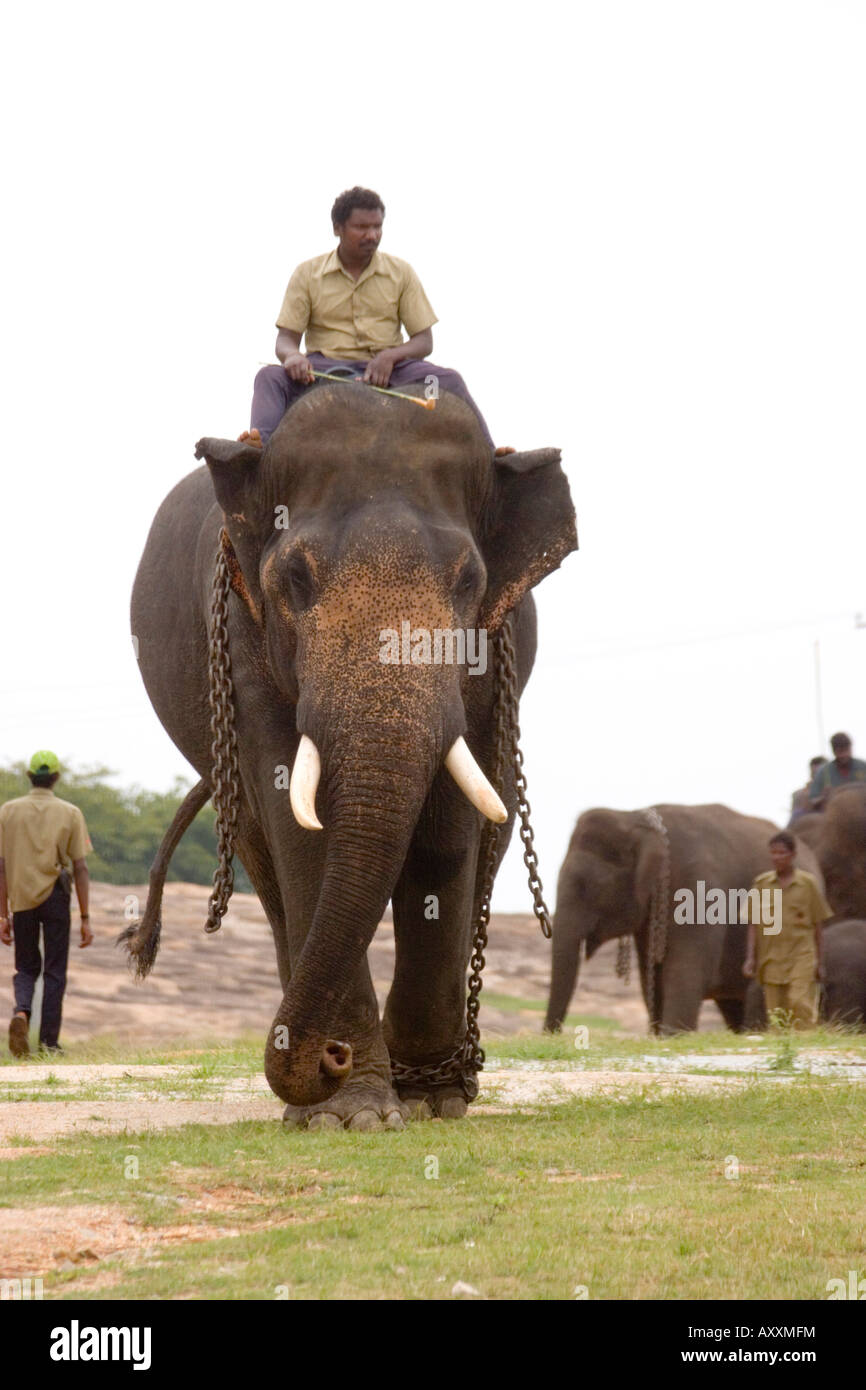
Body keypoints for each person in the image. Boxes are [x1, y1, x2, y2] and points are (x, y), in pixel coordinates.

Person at [241, 186, 507, 455]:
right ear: (338, 228)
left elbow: (424, 341)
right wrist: (292, 357)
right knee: (269, 377)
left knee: (447, 381)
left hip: (394, 372)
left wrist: (390, 357)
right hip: (322, 370)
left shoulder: (400, 272)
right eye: (361, 227)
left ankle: (491, 458)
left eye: (377, 227)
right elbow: (286, 339)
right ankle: (259, 449)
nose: (372, 235)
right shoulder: (307, 274)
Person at [0, 751, 93, 1056]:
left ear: (29, 776)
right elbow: (80, 867)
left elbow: (1, 868)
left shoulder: (7, 812)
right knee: (54, 970)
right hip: (56, 896)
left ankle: (22, 1012)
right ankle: (49, 1044)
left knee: (25, 967)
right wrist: (85, 917)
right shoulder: (70, 813)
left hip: (22, 899)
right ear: (55, 777)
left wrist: (3, 915)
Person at [742, 830, 833, 1029]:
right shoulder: (762, 884)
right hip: (771, 956)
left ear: (792, 855)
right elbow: (753, 923)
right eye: (773, 853)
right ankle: (783, 1054)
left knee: (799, 1001)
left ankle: (806, 1049)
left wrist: (820, 961)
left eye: (782, 853)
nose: (777, 858)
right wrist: (750, 957)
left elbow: (818, 923)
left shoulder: (807, 883)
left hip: (802, 954)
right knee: (776, 1013)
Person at [807, 732, 866, 810]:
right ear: (834, 751)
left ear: (850, 748)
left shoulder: (862, 766)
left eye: (846, 750)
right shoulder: (824, 772)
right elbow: (813, 799)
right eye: (839, 751)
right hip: (834, 814)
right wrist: (824, 797)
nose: (843, 755)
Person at [788, 755, 827, 823]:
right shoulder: (799, 794)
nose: (816, 778)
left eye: (819, 774)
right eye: (813, 774)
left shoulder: (833, 791)